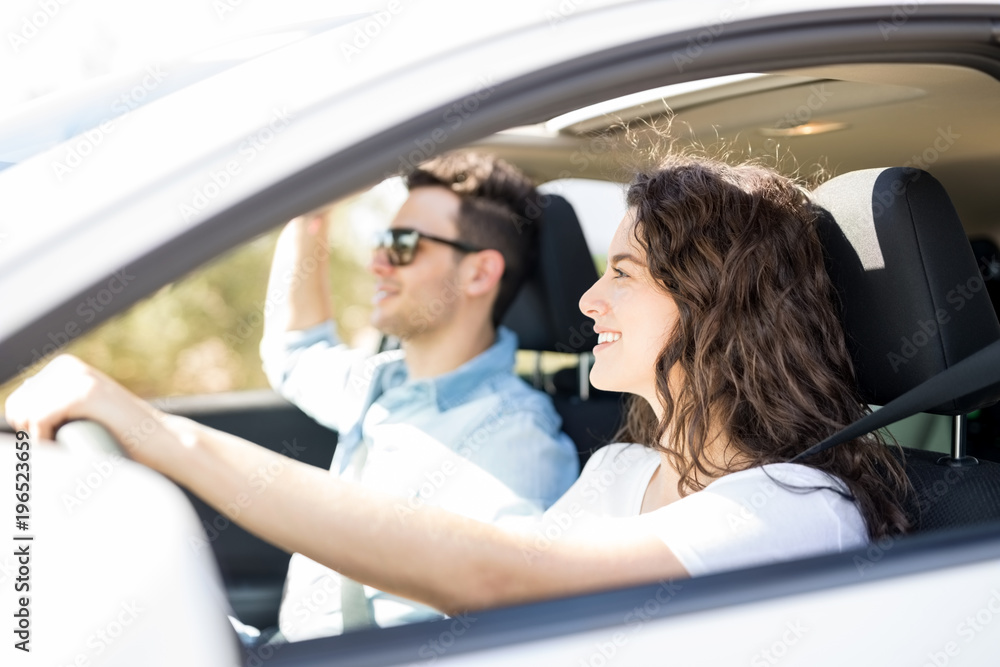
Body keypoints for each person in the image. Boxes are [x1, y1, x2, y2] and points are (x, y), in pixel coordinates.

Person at [5, 154, 912, 620]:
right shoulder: (628, 468)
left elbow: (494, 575)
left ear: (716, 304)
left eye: (625, 272)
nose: (589, 296)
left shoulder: (793, 505)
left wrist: (161, 434)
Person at [259, 151, 582, 639]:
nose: (377, 261)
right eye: (382, 240)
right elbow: (295, 351)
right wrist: (312, 215)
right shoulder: (376, 383)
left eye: (403, 244)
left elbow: (510, 624)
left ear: (478, 273)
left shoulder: (515, 439)